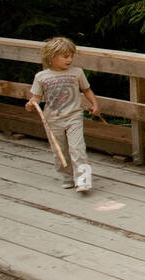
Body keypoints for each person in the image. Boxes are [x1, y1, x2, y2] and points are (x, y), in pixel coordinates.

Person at [25, 36, 101, 192]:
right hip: (52, 119)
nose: (70, 59)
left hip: (74, 116)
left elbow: (86, 90)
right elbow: (37, 97)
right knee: (59, 150)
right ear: (52, 57)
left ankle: (83, 179)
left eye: (71, 56)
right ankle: (67, 176)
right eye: (65, 56)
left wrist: (94, 104)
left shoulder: (77, 72)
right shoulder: (41, 77)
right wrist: (31, 103)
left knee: (77, 148)